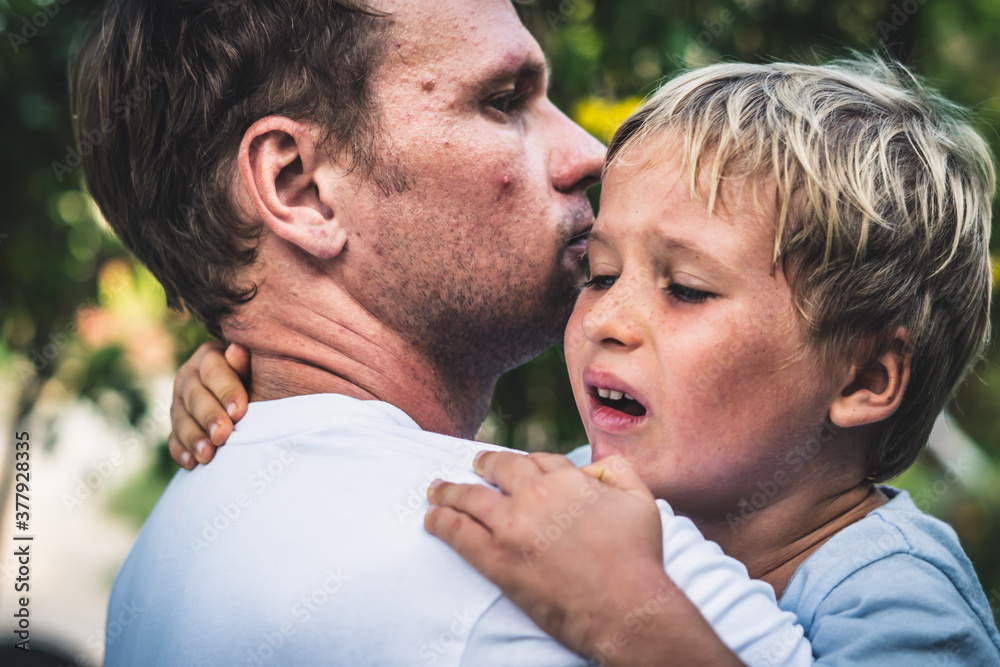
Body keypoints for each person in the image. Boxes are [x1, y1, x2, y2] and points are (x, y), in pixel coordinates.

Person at [175, 58, 1000, 664]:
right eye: (599, 271)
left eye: (684, 288)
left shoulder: (894, 588)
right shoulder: (585, 480)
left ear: (862, 377)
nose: (608, 317)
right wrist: (253, 381)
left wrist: (631, 618)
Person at [75, 1, 812, 665]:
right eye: (502, 101)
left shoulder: (161, 558)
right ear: (300, 185)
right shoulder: (572, 566)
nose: (589, 152)